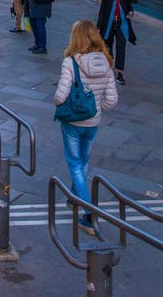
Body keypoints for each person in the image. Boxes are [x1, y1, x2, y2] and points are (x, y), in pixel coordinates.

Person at [54, 20, 118, 236]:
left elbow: (60, 96)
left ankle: (90, 216)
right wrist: (97, 106)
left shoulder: (71, 62)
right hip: (93, 122)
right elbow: (111, 100)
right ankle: (74, 199)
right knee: (83, 161)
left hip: (73, 122)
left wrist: (59, 102)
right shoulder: (107, 62)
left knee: (74, 164)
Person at [97, 0, 136, 86]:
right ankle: (109, 68)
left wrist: (130, 13)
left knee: (121, 48)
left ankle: (120, 74)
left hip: (121, 25)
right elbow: (102, 12)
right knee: (107, 46)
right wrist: (98, 26)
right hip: (108, 25)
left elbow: (130, 9)